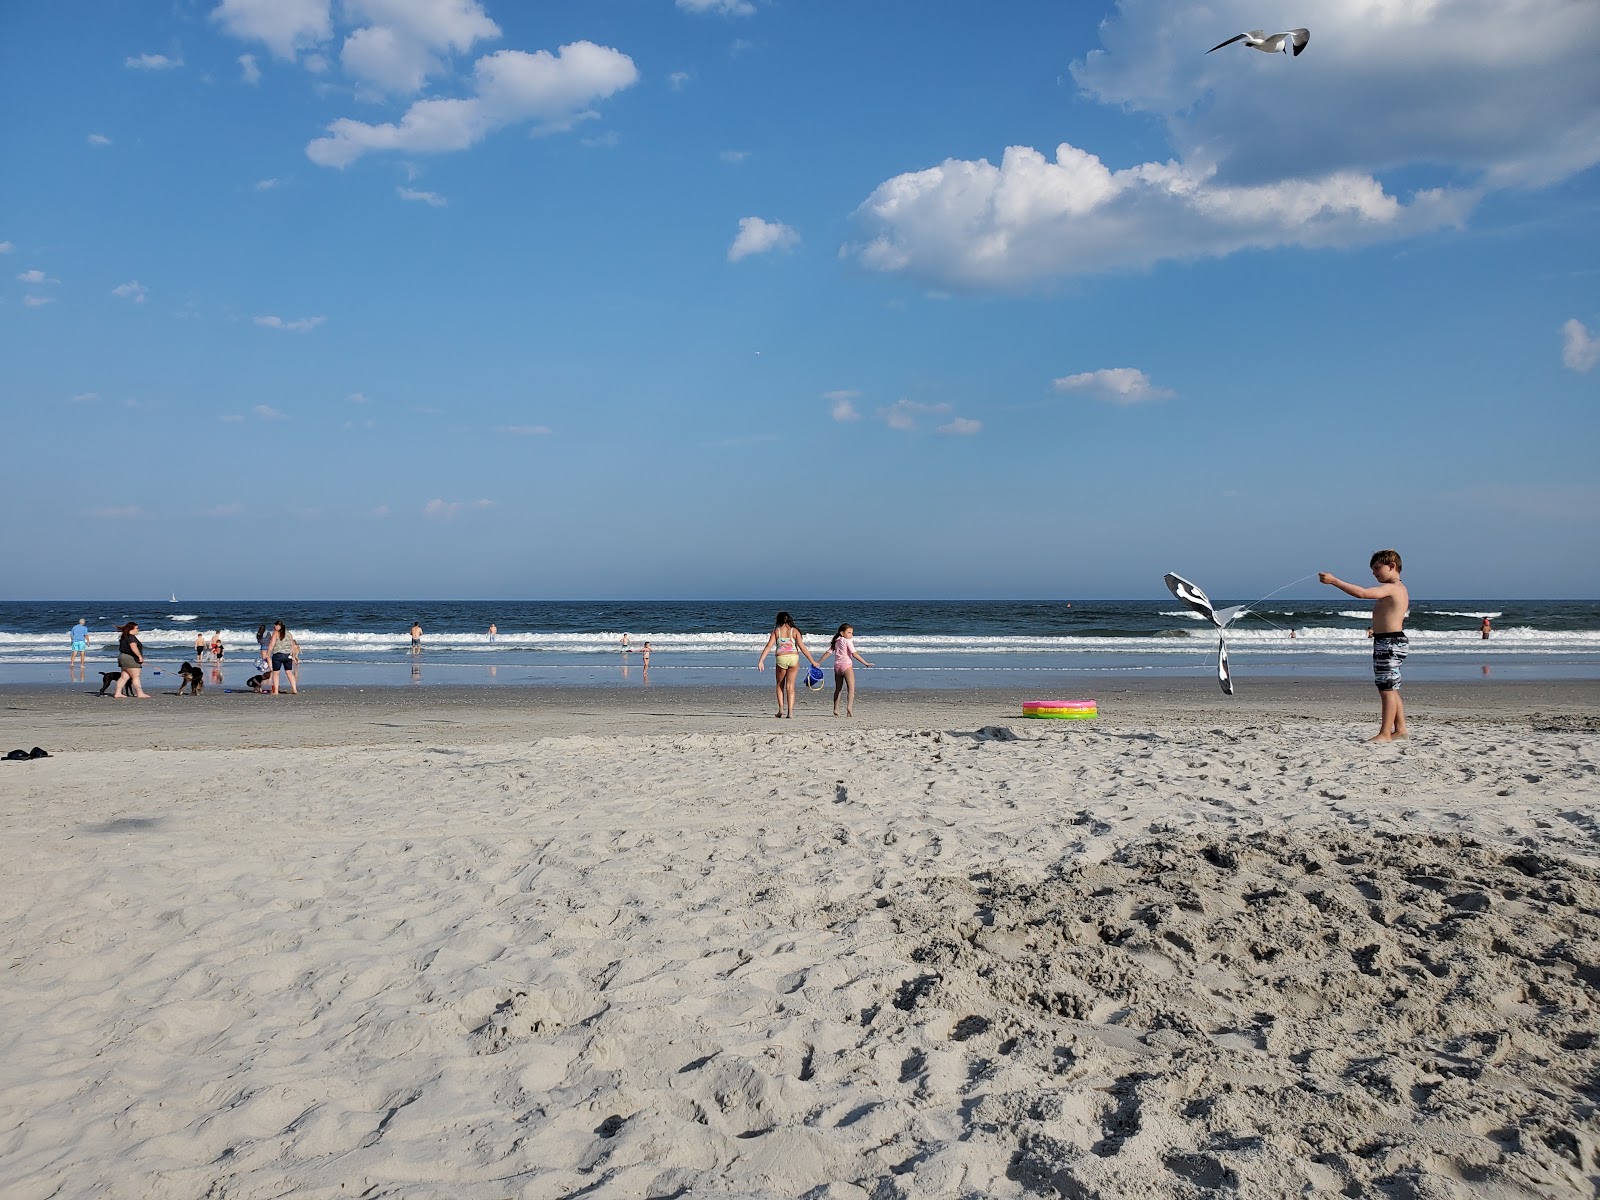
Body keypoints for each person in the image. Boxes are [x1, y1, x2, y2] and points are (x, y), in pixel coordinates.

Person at [1320, 549, 1409, 742]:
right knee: (1390, 687)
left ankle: (1385, 733)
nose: (1374, 573)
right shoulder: (1396, 588)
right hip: (1388, 641)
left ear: (1392, 566)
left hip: (1390, 642)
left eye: (1377, 568)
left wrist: (1335, 581)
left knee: (1386, 688)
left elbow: (1362, 593)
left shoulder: (1393, 587)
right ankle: (1400, 729)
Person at [756, 611, 820, 719]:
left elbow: (768, 646)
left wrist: (761, 661)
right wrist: (812, 661)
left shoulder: (777, 631)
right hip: (793, 658)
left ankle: (781, 709)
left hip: (781, 658)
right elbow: (803, 647)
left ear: (778, 620)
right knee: (790, 686)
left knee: (780, 685)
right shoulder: (794, 631)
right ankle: (790, 712)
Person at [821, 622, 874, 717]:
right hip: (846, 666)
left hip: (837, 666)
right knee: (851, 688)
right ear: (842, 633)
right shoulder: (847, 641)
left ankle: (836, 708)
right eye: (849, 632)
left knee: (838, 689)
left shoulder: (836, 641)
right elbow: (854, 653)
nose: (851, 635)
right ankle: (849, 707)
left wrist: (818, 662)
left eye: (852, 633)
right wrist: (865, 663)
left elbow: (828, 652)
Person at [111, 621, 149, 698]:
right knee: (136, 677)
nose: (138, 630)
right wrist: (139, 656)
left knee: (124, 677)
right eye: (137, 628)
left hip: (122, 657)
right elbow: (133, 647)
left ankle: (118, 693)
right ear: (131, 629)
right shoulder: (131, 637)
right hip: (130, 658)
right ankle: (140, 693)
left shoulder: (124, 637)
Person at [274, 621, 300, 694]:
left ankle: (276, 691)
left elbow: (272, 643)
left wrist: (268, 652)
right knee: (289, 672)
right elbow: (292, 645)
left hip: (278, 654)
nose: (274, 627)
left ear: (278, 626)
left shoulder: (276, 633)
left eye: (275, 626)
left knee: (276, 673)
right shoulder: (289, 634)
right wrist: (293, 656)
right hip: (287, 655)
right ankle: (294, 690)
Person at [257, 622, 279, 695]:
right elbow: (270, 640)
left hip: (263, 647)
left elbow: (259, 641)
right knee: (268, 657)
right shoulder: (268, 633)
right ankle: (271, 668)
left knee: (264, 659)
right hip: (268, 646)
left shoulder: (259, 633)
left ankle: (265, 668)